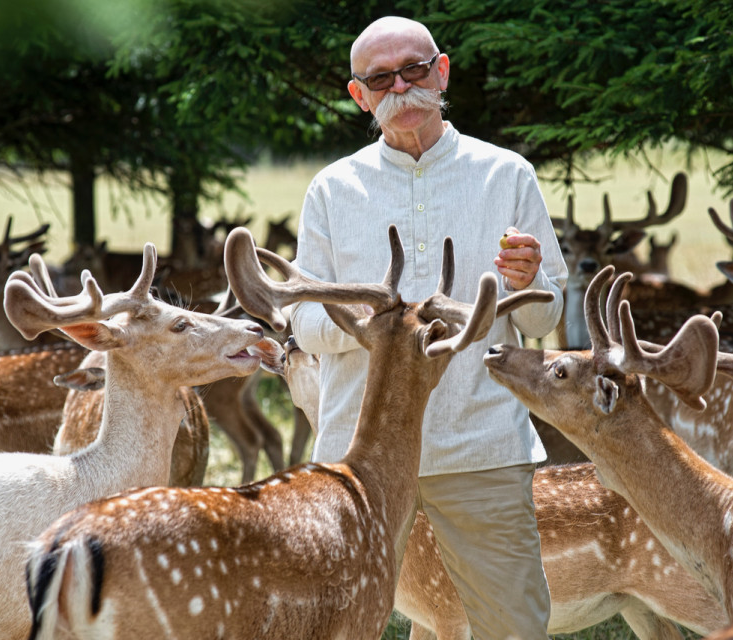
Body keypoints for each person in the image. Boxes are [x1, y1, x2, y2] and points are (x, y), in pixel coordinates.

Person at [290, 16, 567, 640]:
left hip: (480, 440)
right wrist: (378, 325)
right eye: (380, 79)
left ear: (441, 72)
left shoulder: (508, 174)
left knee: (514, 625)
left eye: (414, 69)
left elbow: (547, 317)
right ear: (359, 95)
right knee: (331, 625)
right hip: (356, 456)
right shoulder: (332, 189)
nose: (401, 87)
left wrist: (527, 283)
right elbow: (304, 323)